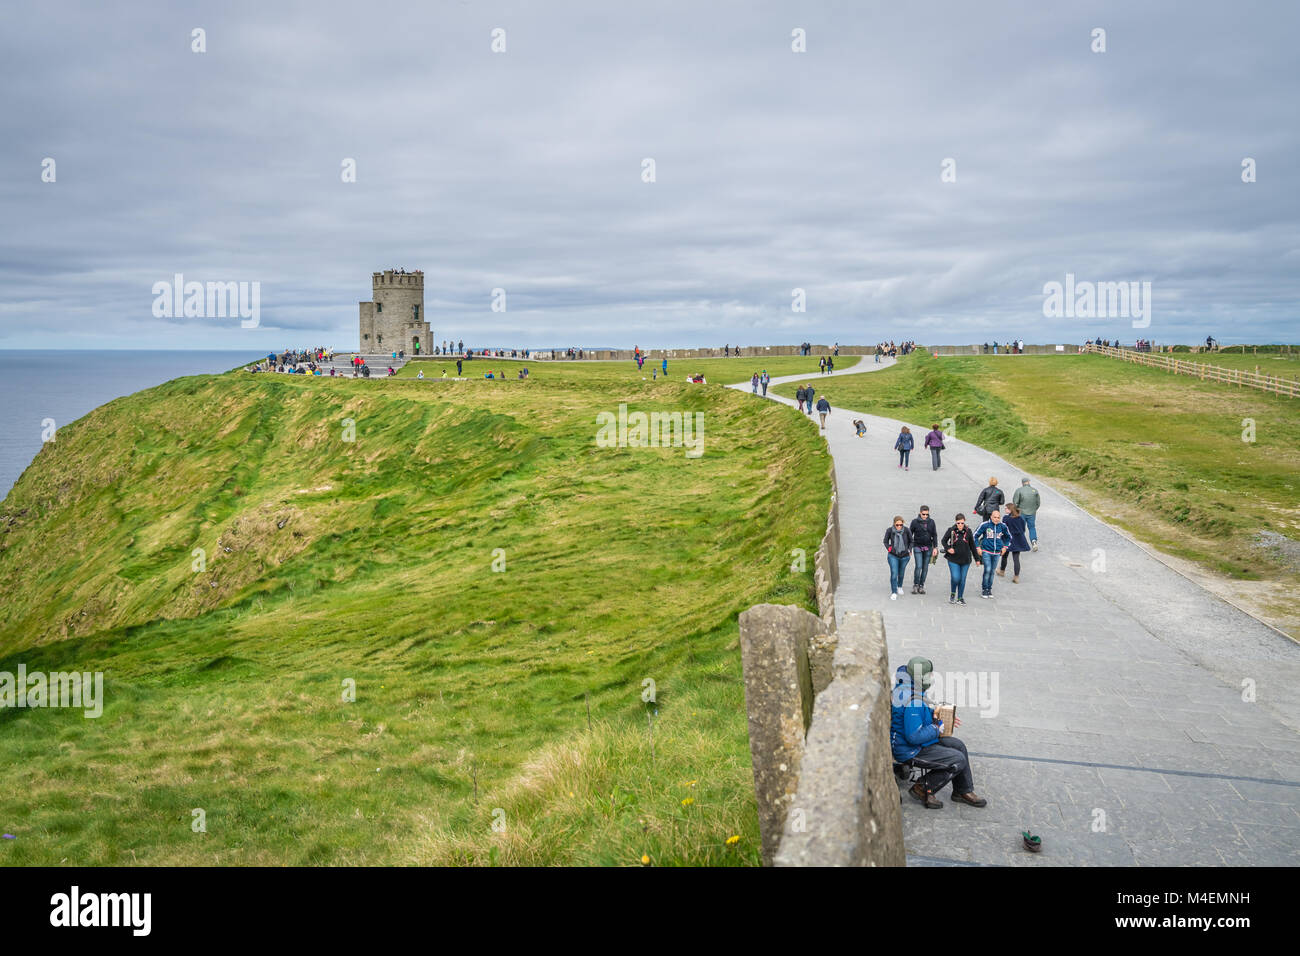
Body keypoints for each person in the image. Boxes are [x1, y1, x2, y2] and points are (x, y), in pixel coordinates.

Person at [890, 657, 987, 809]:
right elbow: (913, 736)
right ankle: (922, 787)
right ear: (919, 677)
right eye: (929, 675)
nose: (932, 678)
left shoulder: (909, 687)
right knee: (958, 759)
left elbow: (920, 714)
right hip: (910, 750)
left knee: (958, 745)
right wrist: (937, 728)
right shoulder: (912, 701)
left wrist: (938, 716)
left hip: (917, 742)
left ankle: (963, 790)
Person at [973, 509, 1011, 598]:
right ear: (991, 517)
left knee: (992, 571)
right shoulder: (985, 525)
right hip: (986, 551)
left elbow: (1008, 537)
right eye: (995, 517)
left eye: (998, 517)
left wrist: (1005, 547)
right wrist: (977, 547)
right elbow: (975, 536)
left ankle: (989, 589)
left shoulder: (1003, 526)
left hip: (997, 552)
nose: (996, 519)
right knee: (988, 569)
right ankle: (984, 589)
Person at [942, 513, 976, 605]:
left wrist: (977, 559)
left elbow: (972, 545)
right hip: (953, 559)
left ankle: (960, 597)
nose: (960, 525)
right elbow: (943, 541)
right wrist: (948, 549)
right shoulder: (951, 530)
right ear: (955, 522)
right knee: (956, 577)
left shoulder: (968, 531)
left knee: (962, 579)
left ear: (964, 522)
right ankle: (953, 593)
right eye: (958, 523)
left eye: (962, 523)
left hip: (966, 560)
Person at [908, 506, 938, 594]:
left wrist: (935, 547)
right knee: (918, 566)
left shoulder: (932, 522)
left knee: (925, 567)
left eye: (927, 514)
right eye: (923, 514)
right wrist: (909, 547)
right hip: (917, 546)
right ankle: (915, 584)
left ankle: (921, 585)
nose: (925, 516)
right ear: (920, 513)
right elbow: (910, 534)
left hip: (928, 547)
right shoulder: (914, 522)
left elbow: (934, 535)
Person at [999, 503, 1030, 583]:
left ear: (1010, 509)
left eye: (1006, 508)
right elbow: (1023, 529)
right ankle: (1016, 577)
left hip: (1008, 540)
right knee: (1016, 559)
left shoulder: (1006, 518)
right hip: (1018, 539)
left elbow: (1003, 529)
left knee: (1004, 556)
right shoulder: (1020, 518)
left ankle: (1002, 571)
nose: (1005, 509)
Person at [883, 515, 912, 600]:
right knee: (894, 573)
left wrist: (909, 550)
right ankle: (894, 592)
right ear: (894, 524)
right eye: (897, 525)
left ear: (903, 524)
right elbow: (885, 541)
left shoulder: (906, 530)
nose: (899, 526)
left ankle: (899, 586)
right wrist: (889, 548)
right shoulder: (889, 530)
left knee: (901, 573)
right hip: (893, 556)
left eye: (900, 525)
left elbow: (911, 541)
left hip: (905, 556)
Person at [1012, 477, 1040, 550]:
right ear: (1029, 482)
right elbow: (1038, 503)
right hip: (1032, 512)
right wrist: (1033, 509)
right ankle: (1034, 542)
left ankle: (1021, 544)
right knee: (1032, 527)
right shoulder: (1035, 490)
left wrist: (1017, 510)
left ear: (1022, 483)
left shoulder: (1019, 490)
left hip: (1022, 512)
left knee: (1021, 528)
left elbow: (1015, 503)